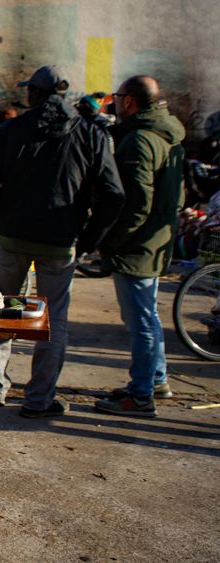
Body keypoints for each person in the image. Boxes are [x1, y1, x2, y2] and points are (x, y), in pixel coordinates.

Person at [0, 65, 126, 418]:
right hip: (60, 241)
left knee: (0, 308)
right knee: (52, 319)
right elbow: (113, 194)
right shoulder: (90, 133)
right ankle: (39, 399)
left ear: (34, 94)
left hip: (13, 237)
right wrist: (88, 239)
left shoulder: (13, 130)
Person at [95, 76, 185, 418]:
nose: (114, 102)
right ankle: (156, 380)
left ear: (130, 101)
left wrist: (111, 242)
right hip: (155, 240)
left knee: (141, 321)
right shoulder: (167, 133)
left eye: (117, 97)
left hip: (138, 245)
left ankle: (141, 394)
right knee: (149, 315)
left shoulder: (141, 141)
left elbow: (136, 204)